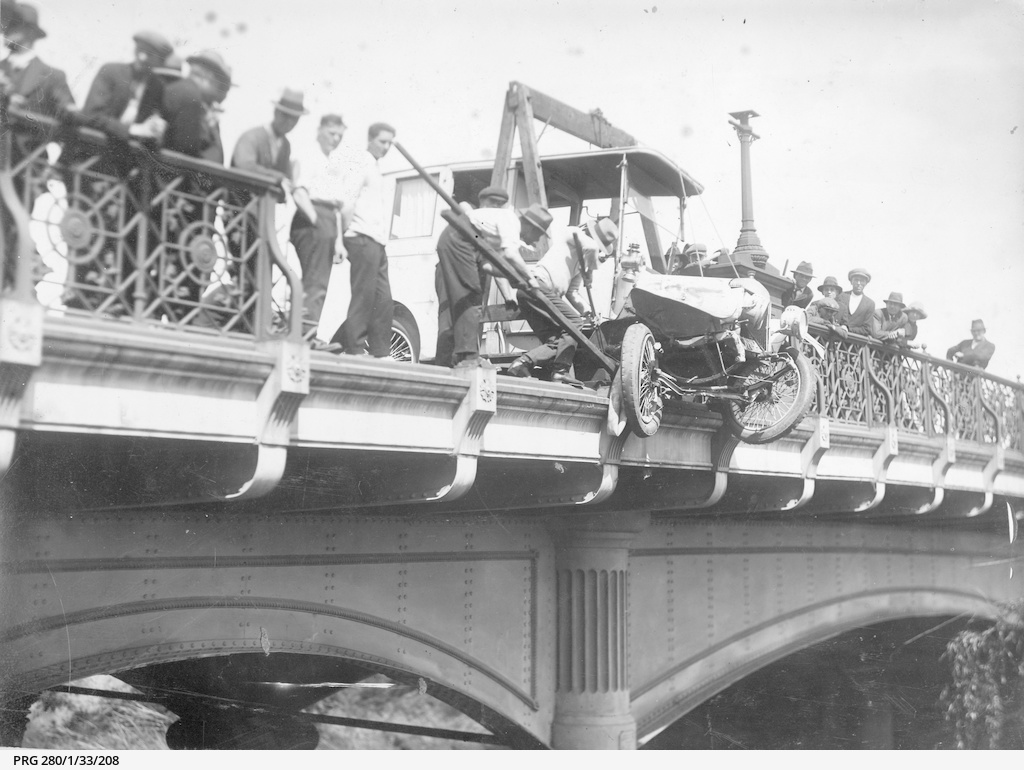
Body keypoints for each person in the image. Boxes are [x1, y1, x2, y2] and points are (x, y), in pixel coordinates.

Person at [506, 210, 618, 383]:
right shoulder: (573, 234)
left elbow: (572, 293)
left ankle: (521, 364)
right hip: (536, 286)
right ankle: (560, 371)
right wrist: (591, 270)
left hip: (539, 297)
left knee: (558, 341)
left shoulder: (581, 263)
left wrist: (587, 311)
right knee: (575, 323)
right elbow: (592, 247)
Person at [434, 185, 535, 368]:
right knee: (469, 297)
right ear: (528, 225)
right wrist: (530, 278)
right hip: (460, 241)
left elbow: (488, 265)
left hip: (459, 242)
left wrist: (512, 279)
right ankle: (468, 357)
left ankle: (452, 361)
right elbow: (511, 255)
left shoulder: (487, 226)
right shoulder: (509, 219)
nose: (534, 239)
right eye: (536, 234)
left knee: (463, 304)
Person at [330, 122, 397, 357]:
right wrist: (340, 237)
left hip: (377, 241)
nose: (386, 147)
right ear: (370, 139)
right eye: (382, 142)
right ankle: (355, 348)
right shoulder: (360, 164)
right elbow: (347, 203)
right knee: (364, 295)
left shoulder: (377, 169)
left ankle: (381, 351)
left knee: (384, 299)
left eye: (390, 143)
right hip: (360, 237)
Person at [289, 113, 347, 345]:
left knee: (319, 282)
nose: (335, 139)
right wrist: (315, 220)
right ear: (320, 131)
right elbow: (299, 191)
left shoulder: (331, 162)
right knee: (314, 281)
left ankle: (308, 332)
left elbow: (337, 206)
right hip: (311, 217)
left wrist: (339, 239)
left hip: (328, 218)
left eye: (340, 136)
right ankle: (304, 336)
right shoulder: (308, 154)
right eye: (332, 134)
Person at [77, 30, 172, 145]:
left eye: (150, 54)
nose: (142, 57)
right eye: (139, 50)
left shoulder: (157, 86)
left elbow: (152, 122)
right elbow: (90, 115)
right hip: (91, 148)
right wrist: (134, 130)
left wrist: (155, 127)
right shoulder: (111, 71)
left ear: (160, 62)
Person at [161, 49, 233, 162]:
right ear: (208, 76)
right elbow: (187, 150)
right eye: (220, 85)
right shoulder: (190, 97)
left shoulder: (183, 91)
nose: (219, 93)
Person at [231, 87, 307, 186]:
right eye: (285, 115)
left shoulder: (285, 145)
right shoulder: (252, 137)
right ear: (275, 112)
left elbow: (287, 177)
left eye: (295, 118)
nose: (289, 122)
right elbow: (243, 166)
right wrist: (278, 177)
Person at [836, 267, 875, 336]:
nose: (858, 283)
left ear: (866, 283)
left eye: (862, 281)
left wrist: (847, 329)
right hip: (837, 336)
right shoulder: (841, 296)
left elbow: (867, 329)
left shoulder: (870, 304)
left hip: (854, 343)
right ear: (851, 281)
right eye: (856, 280)